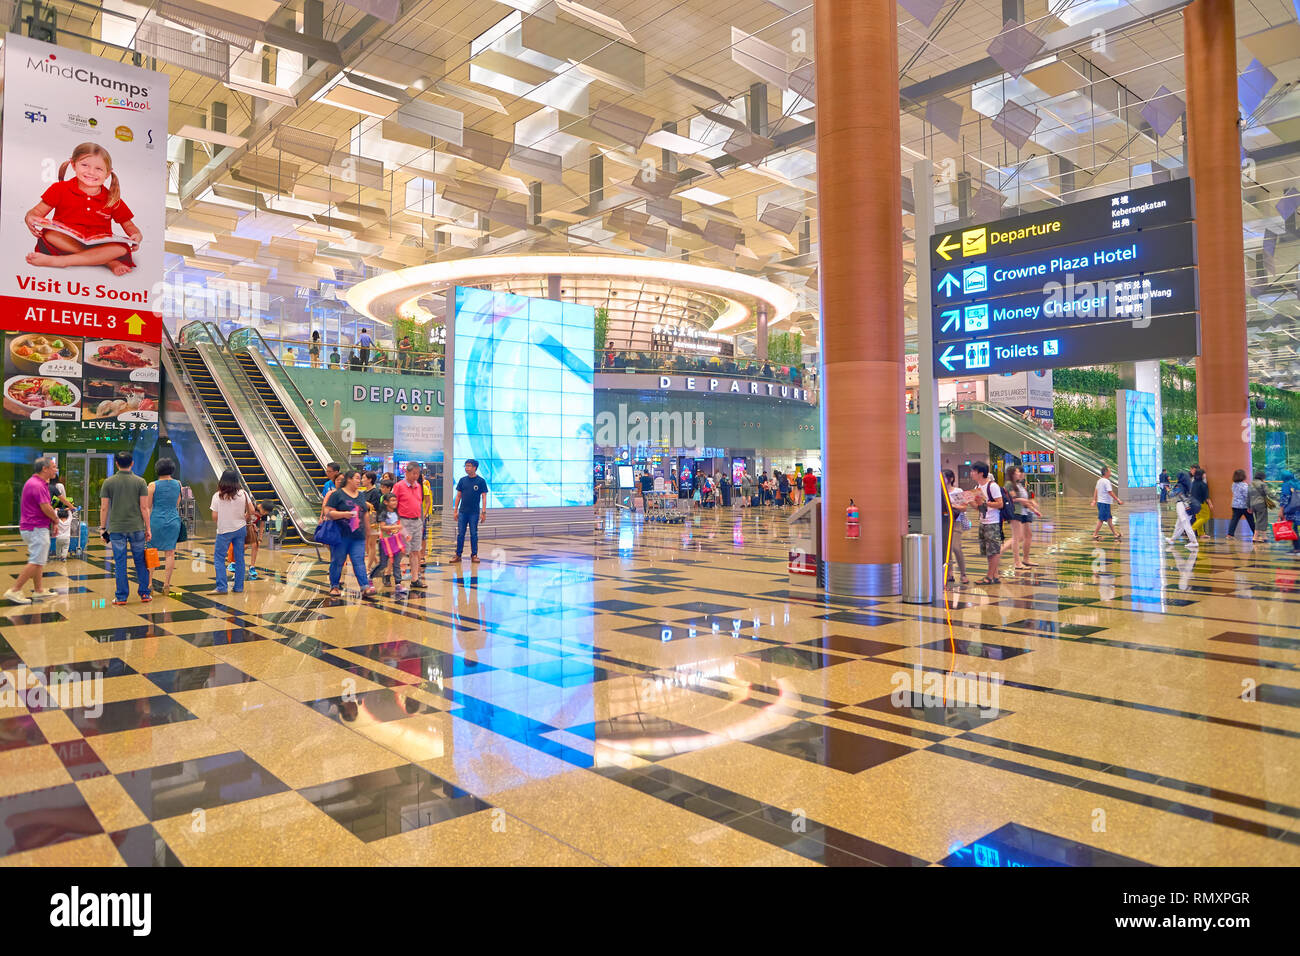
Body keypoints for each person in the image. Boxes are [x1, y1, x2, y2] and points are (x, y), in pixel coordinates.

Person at [24, 143, 141, 276]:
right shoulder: (59, 189)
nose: (91, 172)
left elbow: (129, 225)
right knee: (50, 234)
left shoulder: (112, 198)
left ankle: (62, 261)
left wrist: (136, 235)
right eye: (85, 165)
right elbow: (37, 212)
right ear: (73, 165)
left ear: (108, 174)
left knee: (121, 248)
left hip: (99, 245)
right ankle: (108, 261)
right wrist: (30, 216)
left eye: (99, 169)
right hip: (67, 240)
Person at [6, 457, 60, 604]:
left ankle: (38, 590)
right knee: (36, 561)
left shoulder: (35, 483)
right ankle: (15, 590)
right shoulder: (37, 485)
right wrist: (55, 520)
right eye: (54, 467)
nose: (56, 469)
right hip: (36, 528)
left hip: (33, 527)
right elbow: (46, 507)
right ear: (45, 469)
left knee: (39, 560)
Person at [100, 451, 151, 605]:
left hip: (116, 528)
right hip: (136, 527)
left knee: (120, 562)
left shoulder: (108, 482)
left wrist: (103, 528)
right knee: (140, 561)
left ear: (116, 463)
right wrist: (148, 528)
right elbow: (144, 507)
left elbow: (104, 508)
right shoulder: (141, 482)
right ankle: (144, 594)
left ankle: (122, 597)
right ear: (132, 463)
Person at [322, 470, 378, 599]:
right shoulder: (337, 495)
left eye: (360, 478)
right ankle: (334, 586)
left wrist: (368, 530)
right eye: (357, 478)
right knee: (338, 561)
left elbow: (364, 513)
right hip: (341, 535)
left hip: (357, 535)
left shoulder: (361, 495)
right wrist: (343, 514)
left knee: (359, 561)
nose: (359, 481)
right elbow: (328, 512)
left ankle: (364, 587)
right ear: (349, 479)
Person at [210, 469, 254, 595]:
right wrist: (243, 518)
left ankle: (222, 587)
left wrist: (225, 520)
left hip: (224, 530)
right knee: (239, 558)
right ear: (236, 480)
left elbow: (214, 517)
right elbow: (251, 510)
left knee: (219, 558)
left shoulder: (217, 496)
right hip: (240, 529)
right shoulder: (243, 494)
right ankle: (239, 587)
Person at [147, 457, 183, 596]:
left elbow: (148, 506)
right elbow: (177, 503)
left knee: (152, 551)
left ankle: (150, 583)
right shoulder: (178, 484)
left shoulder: (152, 485)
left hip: (156, 520)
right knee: (170, 553)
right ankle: (166, 584)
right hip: (174, 520)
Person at [395, 462, 427, 591]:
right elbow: (393, 504)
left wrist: (421, 521)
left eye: (417, 473)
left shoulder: (419, 486)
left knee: (415, 551)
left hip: (416, 521)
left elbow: (419, 505)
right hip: (404, 521)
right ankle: (392, 574)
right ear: (406, 473)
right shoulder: (399, 486)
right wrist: (397, 523)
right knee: (402, 550)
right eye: (413, 473)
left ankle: (415, 579)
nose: (415, 476)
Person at [970, 461, 1003, 585]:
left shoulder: (992, 486)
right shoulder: (976, 488)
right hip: (983, 521)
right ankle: (994, 575)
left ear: (981, 473)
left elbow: (999, 504)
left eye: (974, 471)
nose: (971, 473)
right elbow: (977, 507)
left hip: (992, 522)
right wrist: (969, 500)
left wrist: (984, 502)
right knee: (988, 551)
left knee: (993, 550)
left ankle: (989, 577)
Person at [1006, 464, 1043, 570]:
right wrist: (1027, 501)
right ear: (1012, 473)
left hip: (1022, 512)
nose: (1020, 474)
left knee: (1022, 536)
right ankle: (1016, 562)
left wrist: (1033, 509)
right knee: (1017, 538)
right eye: (1017, 472)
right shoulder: (1009, 484)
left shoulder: (1018, 484)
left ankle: (1023, 560)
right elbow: (1013, 499)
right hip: (1016, 512)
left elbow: (1019, 499)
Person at [452, 459, 490, 562]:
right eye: (466, 466)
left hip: (474, 512)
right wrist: (455, 510)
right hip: (463, 512)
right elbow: (458, 496)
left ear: (475, 468)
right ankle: (458, 555)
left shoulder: (480, 481)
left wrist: (483, 512)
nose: (466, 468)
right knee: (460, 534)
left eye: (469, 466)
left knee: (474, 534)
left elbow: (484, 497)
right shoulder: (462, 480)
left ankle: (474, 555)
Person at [942, 469, 969, 586]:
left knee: (956, 547)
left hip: (956, 522)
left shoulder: (958, 491)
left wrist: (950, 504)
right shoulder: (940, 491)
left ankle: (963, 574)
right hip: (943, 522)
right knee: (945, 549)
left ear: (951, 478)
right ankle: (949, 572)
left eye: (946, 477)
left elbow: (964, 508)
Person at [370, 493, 402, 586]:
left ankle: (398, 582)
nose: (394, 502)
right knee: (383, 563)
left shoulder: (397, 512)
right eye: (392, 500)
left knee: (396, 562)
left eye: (395, 500)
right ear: (385, 502)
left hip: (395, 540)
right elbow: (383, 527)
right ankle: (371, 576)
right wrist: (396, 527)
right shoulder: (383, 514)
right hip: (385, 541)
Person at [1167, 471, 1199, 549]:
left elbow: (1171, 494)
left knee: (1184, 522)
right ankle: (1172, 539)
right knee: (1179, 524)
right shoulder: (1188, 485)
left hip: (1181, 505)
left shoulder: (1179, 485)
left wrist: (1168, 490)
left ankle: (1194, 541)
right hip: (1188, 505)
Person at [1091, 465, 1122, 540]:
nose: (1110, 473)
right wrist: (1118, 500)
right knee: (1101, 519)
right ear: (1106, 472)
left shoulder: (1099, 480)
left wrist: (1094, 500)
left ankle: (1115, 534)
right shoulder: (1106, 481)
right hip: (1104, 503)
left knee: (1109, 519)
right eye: (1110, 471)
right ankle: (1095, 534)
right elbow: (1110, 492)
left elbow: (1096, 490)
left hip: (1101, 503)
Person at [246, 501, 273, 579]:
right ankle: (235, 563)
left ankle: (252, 567)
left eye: (266, 513)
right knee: (244, 546)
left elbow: (262, 526)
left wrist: (260, 538)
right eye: (264, 511)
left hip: (252, 528)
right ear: (260, 506)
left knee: (255, 546)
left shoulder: (264, 513)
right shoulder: (252, 507)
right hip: (244, 527)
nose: (264, 514)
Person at [361, 472, 382, 569]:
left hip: (373, 520)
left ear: (370, 480)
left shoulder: (375, 492)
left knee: (371, 543)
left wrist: (362, 501)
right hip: (365, 520)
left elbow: (376, 507)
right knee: (366, 543)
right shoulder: (364, 493)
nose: (362, 480)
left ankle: (368, 567)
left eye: (364, 478)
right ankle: (376, 561)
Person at [1226, 468, 1255, 539]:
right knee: (1251, 520)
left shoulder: (1233, 484)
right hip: (1244, 506)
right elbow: (1247, 496)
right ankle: (1255, 533)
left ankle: (1230, 534)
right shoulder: (1244, 485)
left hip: (1235, 505)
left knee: (1234, 520)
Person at [1248, 469, 1274, 544]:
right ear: (1262, 477)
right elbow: (1268, 493)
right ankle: (1255, 536)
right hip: (1261, 504)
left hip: (1253, 505)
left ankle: (1263, 536)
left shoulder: (1250, 484)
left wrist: (1248, 507)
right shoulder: (1263, 484)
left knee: (1259, 519)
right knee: (1261, 520)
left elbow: (1248, 496)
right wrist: (1277, 498)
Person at [1279, 470, 1300, 555]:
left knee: (1293, 528)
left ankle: (1297, 548)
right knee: (1295, 527)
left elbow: (1285, 497)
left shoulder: (1286, 484)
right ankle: (1297, 547)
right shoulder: (1297, 483)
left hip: (1291, 509)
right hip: (1298, 508)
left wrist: (1281, 510)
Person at [1189, 466, 1213, 537]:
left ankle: (1201, 533)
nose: (1205, 475)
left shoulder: (1193, 483)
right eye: (1204, 474)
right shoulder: (1203, 484)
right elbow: (1206, 496)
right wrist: (1210, 504)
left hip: (1194, 504)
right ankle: (1192, 528)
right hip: (1201, 504)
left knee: (1199, 518)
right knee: (1206, 517)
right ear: (1201, 475)